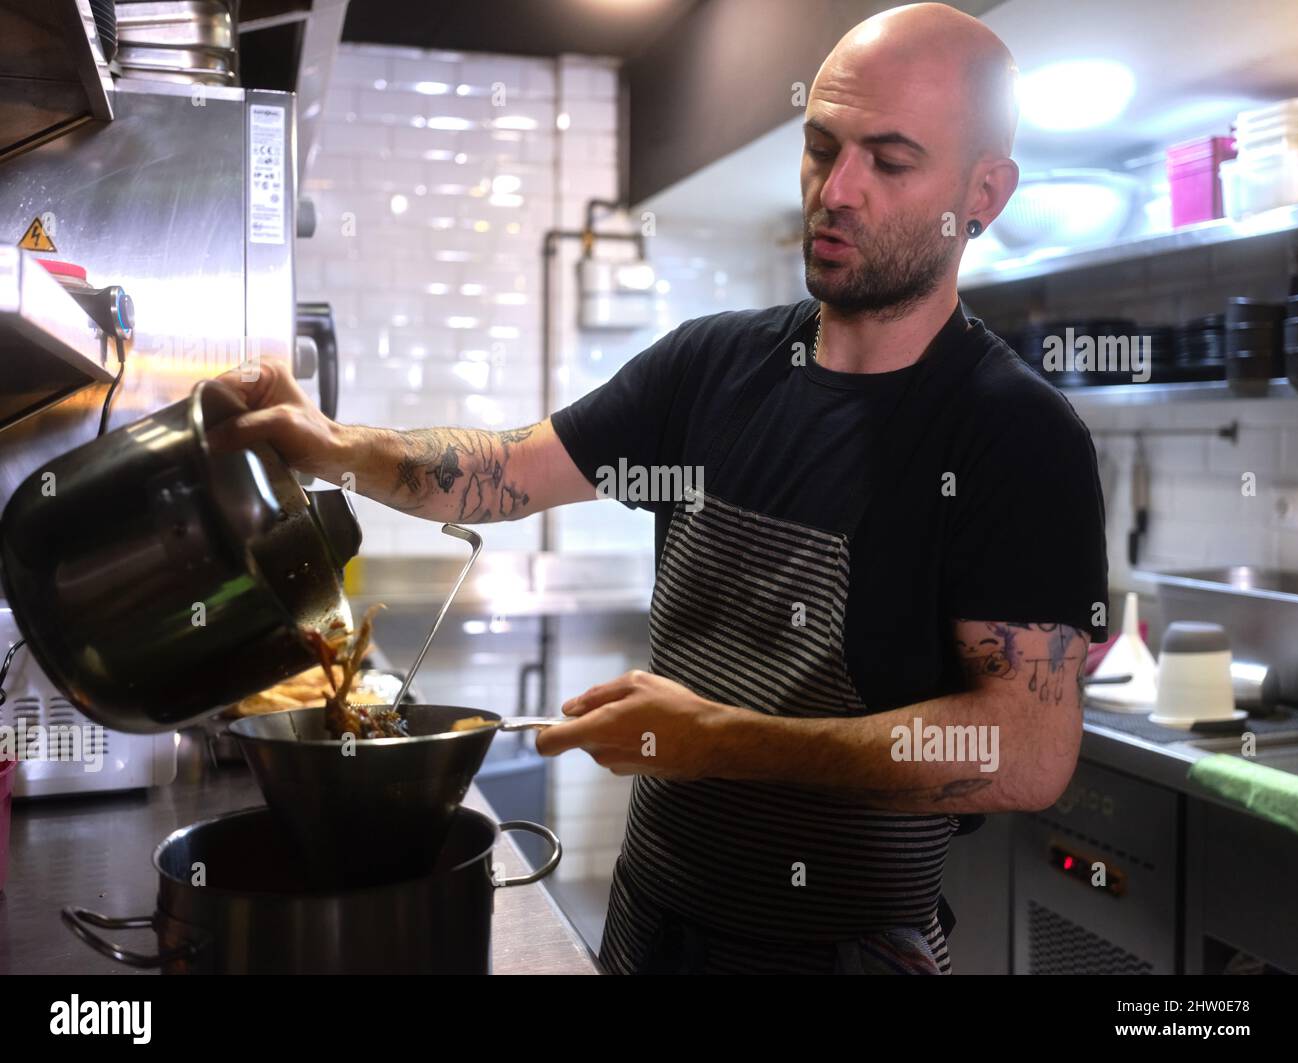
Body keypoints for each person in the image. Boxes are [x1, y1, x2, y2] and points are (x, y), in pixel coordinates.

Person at [213, 2, 1108, 974]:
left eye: (889, 162)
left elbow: (1023, 749)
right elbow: (504, 472)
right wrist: (330, 442)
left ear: (984, 193)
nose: (835, 190)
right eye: (820, 146)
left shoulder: (1012, 433)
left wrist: (722, 740)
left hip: (838, 947)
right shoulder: (712, 366)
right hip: (648, 921)